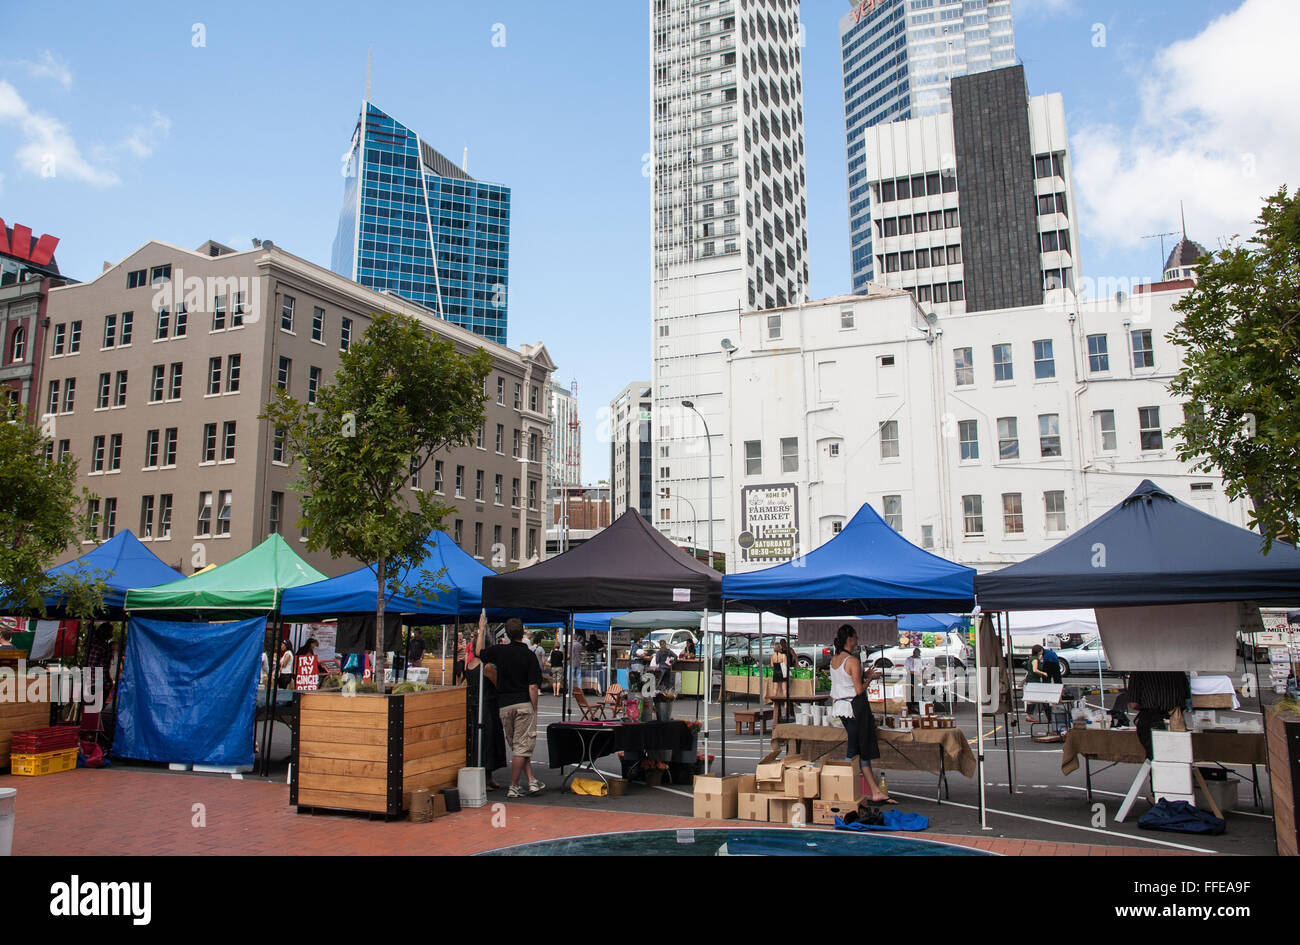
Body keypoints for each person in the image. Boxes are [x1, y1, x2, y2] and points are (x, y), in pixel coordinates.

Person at [479, 612, 545, 798]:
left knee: (518, 746)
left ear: (506, 633)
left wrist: (481, 629)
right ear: (522, 632)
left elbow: (479, 653)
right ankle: (514, 785)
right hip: (523, 703)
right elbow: (533, 686)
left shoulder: (500, 651)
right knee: (522, 747)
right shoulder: (529, 655)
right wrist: (535, 707)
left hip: (504, 705)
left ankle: (531, 780)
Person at [829, 624, 893, 804]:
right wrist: (870, 679)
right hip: (856, 707)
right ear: (850, 639)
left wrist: (864, 675)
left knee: (858, 748)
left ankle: (873, 790)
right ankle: (839, 787)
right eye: (856, 638)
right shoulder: (853, 660)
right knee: (856, 748)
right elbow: (857, 690)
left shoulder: (835, 660)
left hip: (841, 707)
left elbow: (845, 680)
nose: (858, 641)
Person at [465, 626, 508, 791]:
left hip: (474, 705)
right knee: (488, 741)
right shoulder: (487, 667)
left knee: (478, 740)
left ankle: (487, 777)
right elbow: (499, 685)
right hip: (487, 706)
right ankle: (486, 775)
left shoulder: (469, 665)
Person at [1128, 671, 1191, 759]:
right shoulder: (1177, 670)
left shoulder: (1139, 672)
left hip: (1150, 718)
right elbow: (1186, 696)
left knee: (1154, 757)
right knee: (1176, 756)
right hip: (1175, 718)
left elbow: (1133, 704)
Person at [1024, 645, 1049, 722]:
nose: (1042, 652)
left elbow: (1028, 670)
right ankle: (1029, 715)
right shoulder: (1035, 659)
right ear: (1038, 651)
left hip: (1030, 679)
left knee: (1030, 699)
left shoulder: (1031, 658)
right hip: (1034, 680)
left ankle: (1029, 715)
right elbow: (1035, 670)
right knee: (1034, 699)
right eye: (1041, 650)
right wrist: (1043, 673)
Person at [770, 640, 791, 722]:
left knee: (775, 689)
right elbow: (786, 665)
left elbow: (772, 665)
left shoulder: (773, 656)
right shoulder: (783, 656)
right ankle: (785, 703)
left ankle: (774, 703)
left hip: (776, 672)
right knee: (784, 689)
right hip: (782, 673)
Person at [902, 647, 924, 714]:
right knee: (909, 692)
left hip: (918, 677)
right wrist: (915, 672)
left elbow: (922, 667)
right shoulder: (908, 659)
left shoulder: (919, 659)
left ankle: (917, 706)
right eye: (916, 655)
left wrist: (922, 671)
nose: (917, 656)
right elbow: (908, 670)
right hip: (910, 676)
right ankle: (910, 708)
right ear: (913, 653)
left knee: (918, 692)